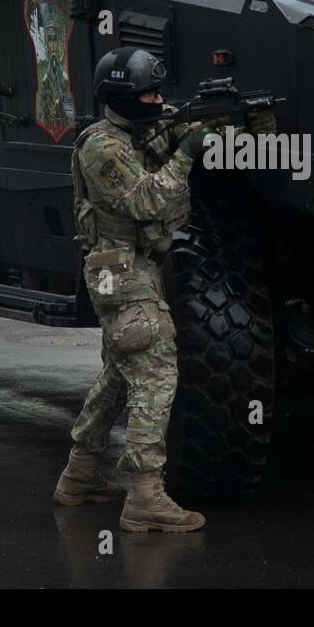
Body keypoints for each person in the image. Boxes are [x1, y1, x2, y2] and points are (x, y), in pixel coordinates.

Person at [53, 47, 218, 532]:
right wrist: (187, 152)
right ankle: (146, 496)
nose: (159, 100)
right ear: (123, 97)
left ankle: (79, 475)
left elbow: (175, 122)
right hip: (118, 270)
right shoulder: (102, 146)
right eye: (149, 93)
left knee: (121, 374)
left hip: (127, 267)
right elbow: (143, 202)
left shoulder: (139, 128)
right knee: (155, 370)